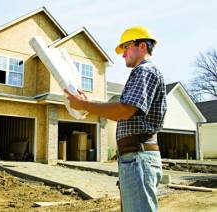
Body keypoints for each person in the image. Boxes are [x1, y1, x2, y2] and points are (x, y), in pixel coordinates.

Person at [65, 26, 167, 212]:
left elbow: (125, 110)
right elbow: (121, 111)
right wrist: (89, 103)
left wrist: (85, 105)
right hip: (135, 157)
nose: (122, 55)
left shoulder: (145, 72)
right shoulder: (142, 73)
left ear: (142, 46)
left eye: (126, 47)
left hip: (138, 157)